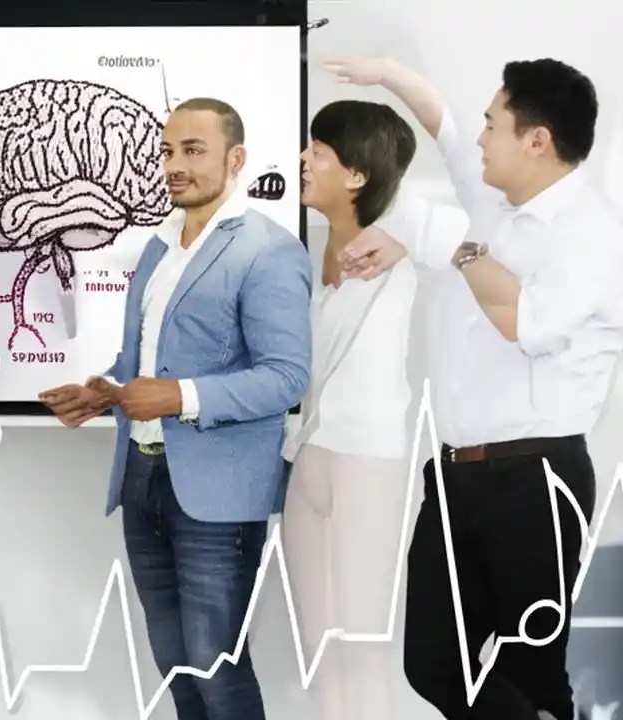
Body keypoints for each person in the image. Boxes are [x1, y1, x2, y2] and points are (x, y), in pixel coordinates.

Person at [324, 55, 623, 720]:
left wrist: (438, 240)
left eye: (497, 124)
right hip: (457, 475)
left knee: (532, 672)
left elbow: (523, 321)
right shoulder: (496, 200)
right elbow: (446, 126)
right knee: (433, 662)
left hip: (536, 478)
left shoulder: (592, 235)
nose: (481, 139)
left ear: (536, 140)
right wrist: (388, 75)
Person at [39, 97, 312, 720]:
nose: (175, 166)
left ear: (236, 159)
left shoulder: (268, 251)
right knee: (177, 672)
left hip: (217, 499)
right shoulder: (159, 249)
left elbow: (287, 378)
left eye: (193, 151)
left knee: (218, 674)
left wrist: (180, 396)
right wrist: (103, 389)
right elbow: (142, 361)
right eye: (168, 152)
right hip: (142, 480)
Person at [279, 99, 421, 720]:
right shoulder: (313, 253)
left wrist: (407, 230)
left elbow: (482, 219)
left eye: (318, 152)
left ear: (358, 175)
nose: (303, 160)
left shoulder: (406, 246)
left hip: (369, 463)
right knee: (315, 648)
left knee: (363, 646)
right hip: (308, 458)